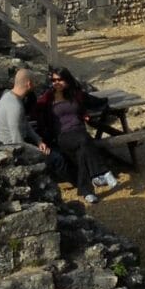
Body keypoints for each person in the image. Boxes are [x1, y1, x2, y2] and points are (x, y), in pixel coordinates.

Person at [34, 66, 120, 202]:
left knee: (82, 151)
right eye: (53, 80)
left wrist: (93, 112)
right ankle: (103, 172)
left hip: (80, 132)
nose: (56, 83)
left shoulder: (76, 94)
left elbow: (97, 102)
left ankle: (87, 192)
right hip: (63, 136)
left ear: (67, 80)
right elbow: (35, 111)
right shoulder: (47, 98)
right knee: (85, 140)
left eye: (60, 79)